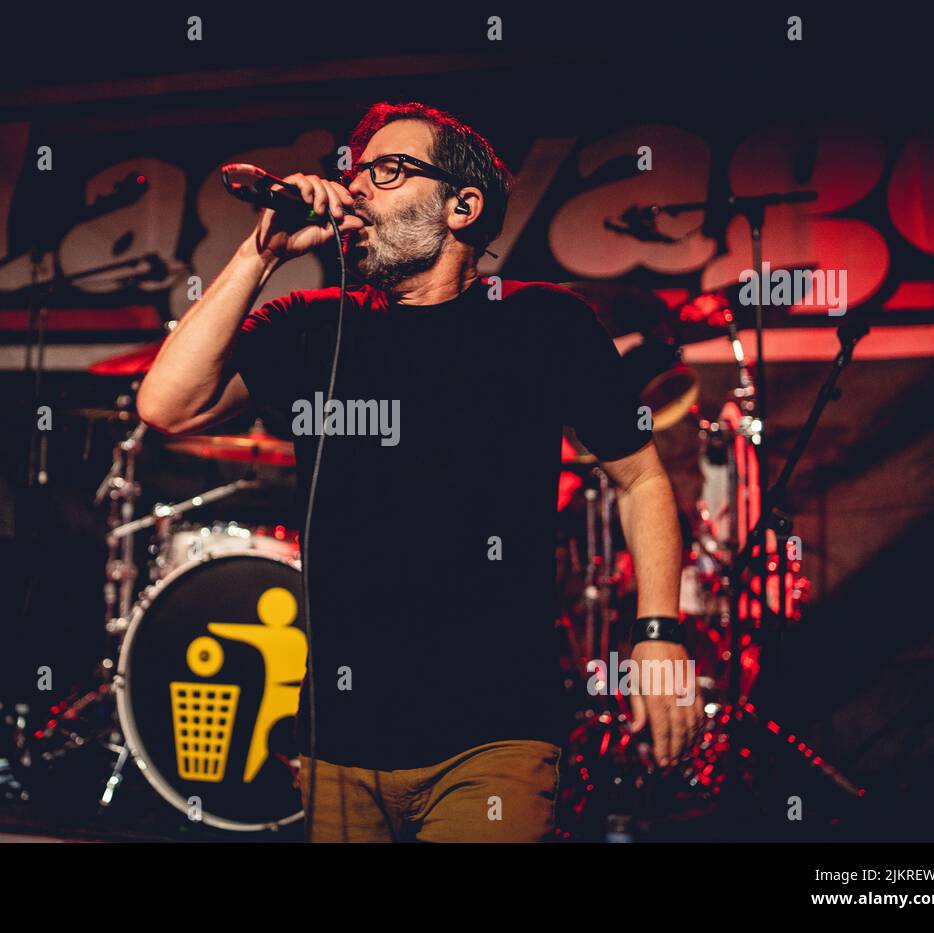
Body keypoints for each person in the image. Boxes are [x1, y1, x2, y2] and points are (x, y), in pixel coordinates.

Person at [137, 101, 702, 842]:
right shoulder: (310, 324)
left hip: (495, 732)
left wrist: (658, 633)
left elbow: (644, 479)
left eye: (390, 170)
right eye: (357, 171)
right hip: (339, 738)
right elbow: (165, 405)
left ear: (463, 207)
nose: (359, 188)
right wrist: (261, 253)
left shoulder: (544, 326)